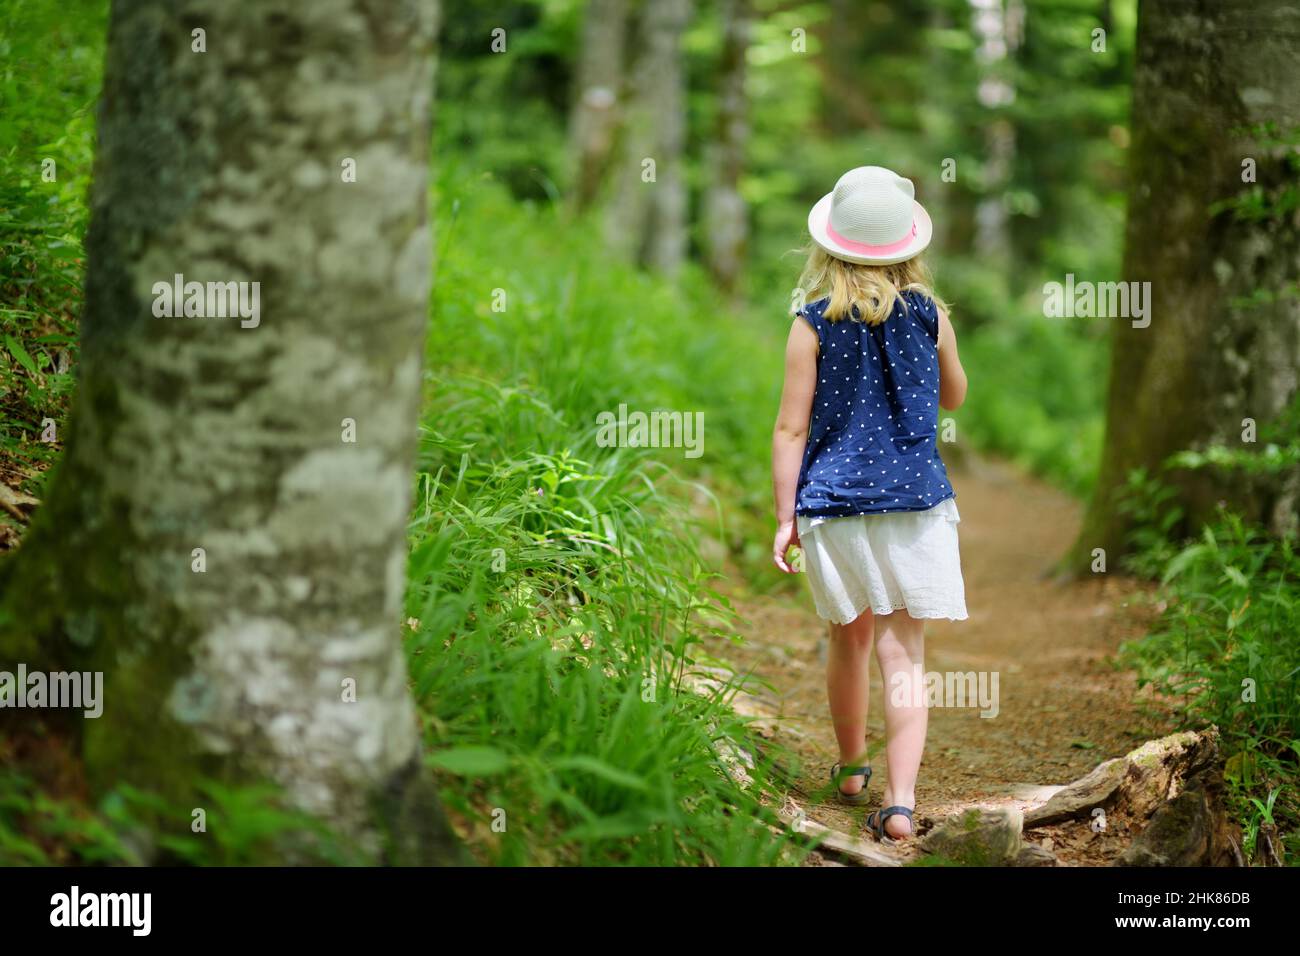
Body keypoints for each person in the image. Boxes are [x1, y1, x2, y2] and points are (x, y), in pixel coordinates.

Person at [770, 165, 969, 844]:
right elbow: (955, 397)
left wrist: (783, 515)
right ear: (909, 246)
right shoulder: (930, 315)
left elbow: (791, 428)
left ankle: (853, 769)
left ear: (828, 247)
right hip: (914, 504)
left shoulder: (810, 325)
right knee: (903, 655)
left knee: (847, 639)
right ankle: (902, 803)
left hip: (834, 504)